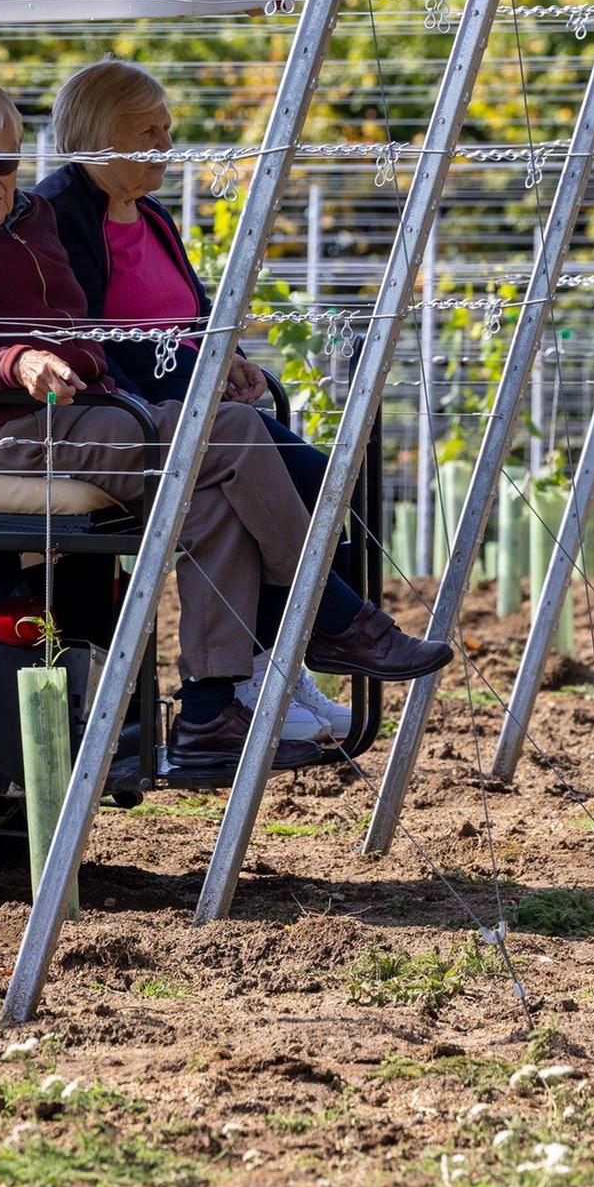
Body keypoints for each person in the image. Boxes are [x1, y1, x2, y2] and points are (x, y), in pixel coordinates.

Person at [0, 76, 452, 770]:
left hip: (86, 411)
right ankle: (331, 619)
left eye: (2, 165)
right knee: (235, 436)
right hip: (4, 432)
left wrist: (172, 362)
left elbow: (84, 324)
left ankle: (210, 710)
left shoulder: (33, 218)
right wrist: (19, 362)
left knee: (214, 493)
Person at [36, 57, 370, 734]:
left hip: (197, 407)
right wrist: (182, 394)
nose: (166, 147)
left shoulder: (149, 215)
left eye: (167, 129)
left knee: (317, 483)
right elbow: (89, 342)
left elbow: (190, 315)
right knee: (302, 482)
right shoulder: (59, 215)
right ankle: (259, 670)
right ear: (101, 136)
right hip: (139, 415)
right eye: (149, 133)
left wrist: (233, 362)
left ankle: (267, 665)